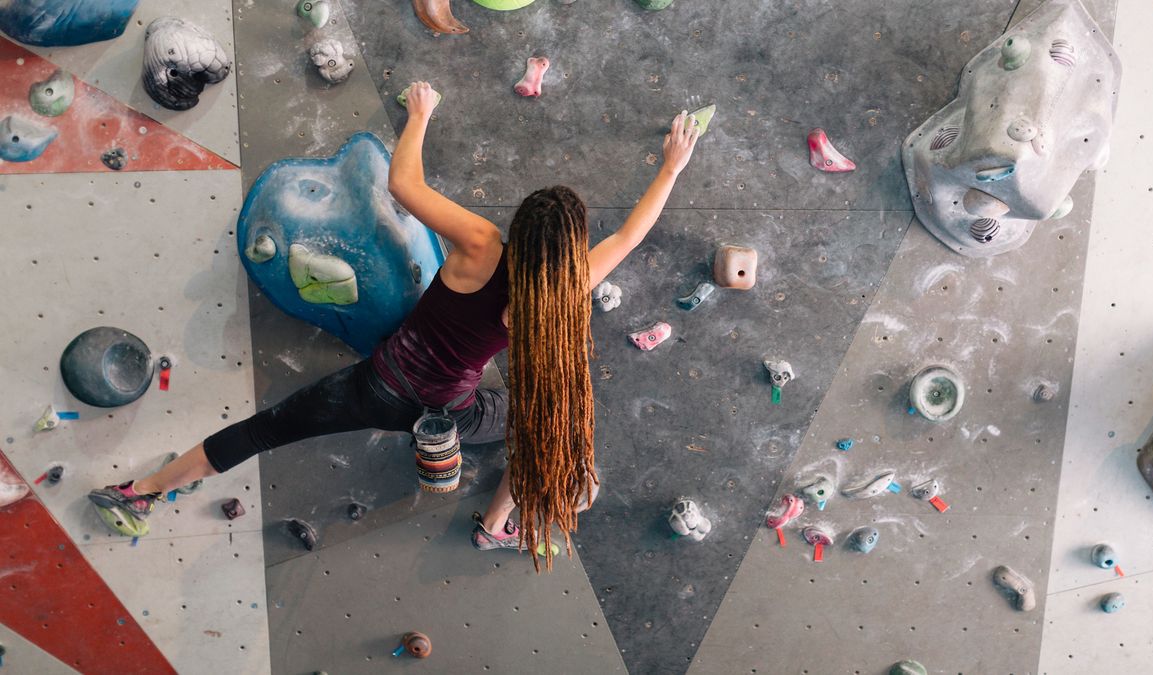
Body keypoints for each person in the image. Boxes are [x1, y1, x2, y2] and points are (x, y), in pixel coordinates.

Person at [89, 82, 701, 569]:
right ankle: (495, 527)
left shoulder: (483, 243)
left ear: (522, 225)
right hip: (447, 413)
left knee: (263, 431)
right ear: (569, 250)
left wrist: (419, 114)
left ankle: (141, 489)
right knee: (544, 427)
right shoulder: (566, 287)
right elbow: (628, 236)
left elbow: (404, 184)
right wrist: (671, 169)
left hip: (375, 384)